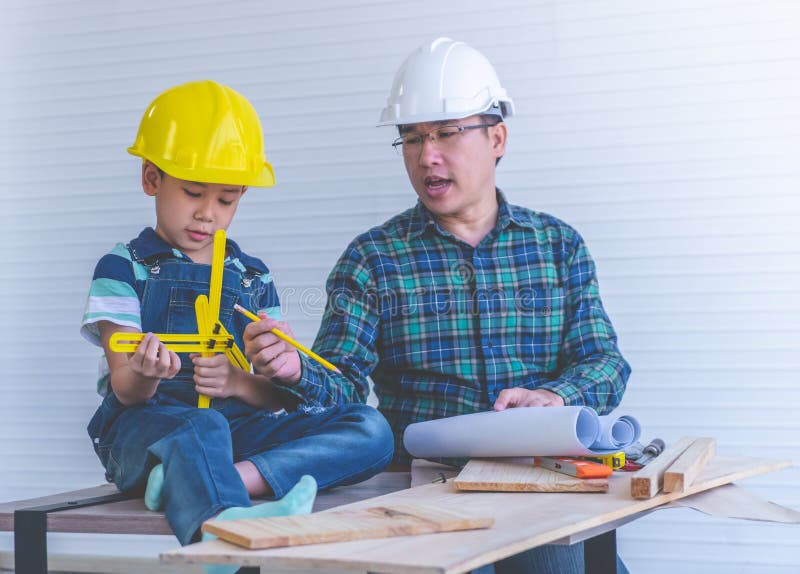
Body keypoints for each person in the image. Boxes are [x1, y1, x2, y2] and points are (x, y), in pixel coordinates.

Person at [243, 38, 631, 573]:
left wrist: (551, 397)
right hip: (426, 489)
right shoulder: (373, 258)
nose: (428, 155)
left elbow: (606, 365)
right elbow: (344, 390)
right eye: (412, 138)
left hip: (537, 476)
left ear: (497, 137)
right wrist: (294, 369)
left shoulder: (557, 246)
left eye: (447, 133)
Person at [80, 80, 394, 550]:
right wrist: (147, 375)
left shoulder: (251, 276)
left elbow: (273, 401)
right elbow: (125, 390)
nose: (208, 214)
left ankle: (221, 482)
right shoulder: (122, 268)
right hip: (143, 434)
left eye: (227, 200)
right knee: (199, 426)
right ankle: (222, 534)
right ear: (151, 178)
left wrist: (246, 380)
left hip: (233, 433)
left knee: (371, 428)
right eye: (192, 192)